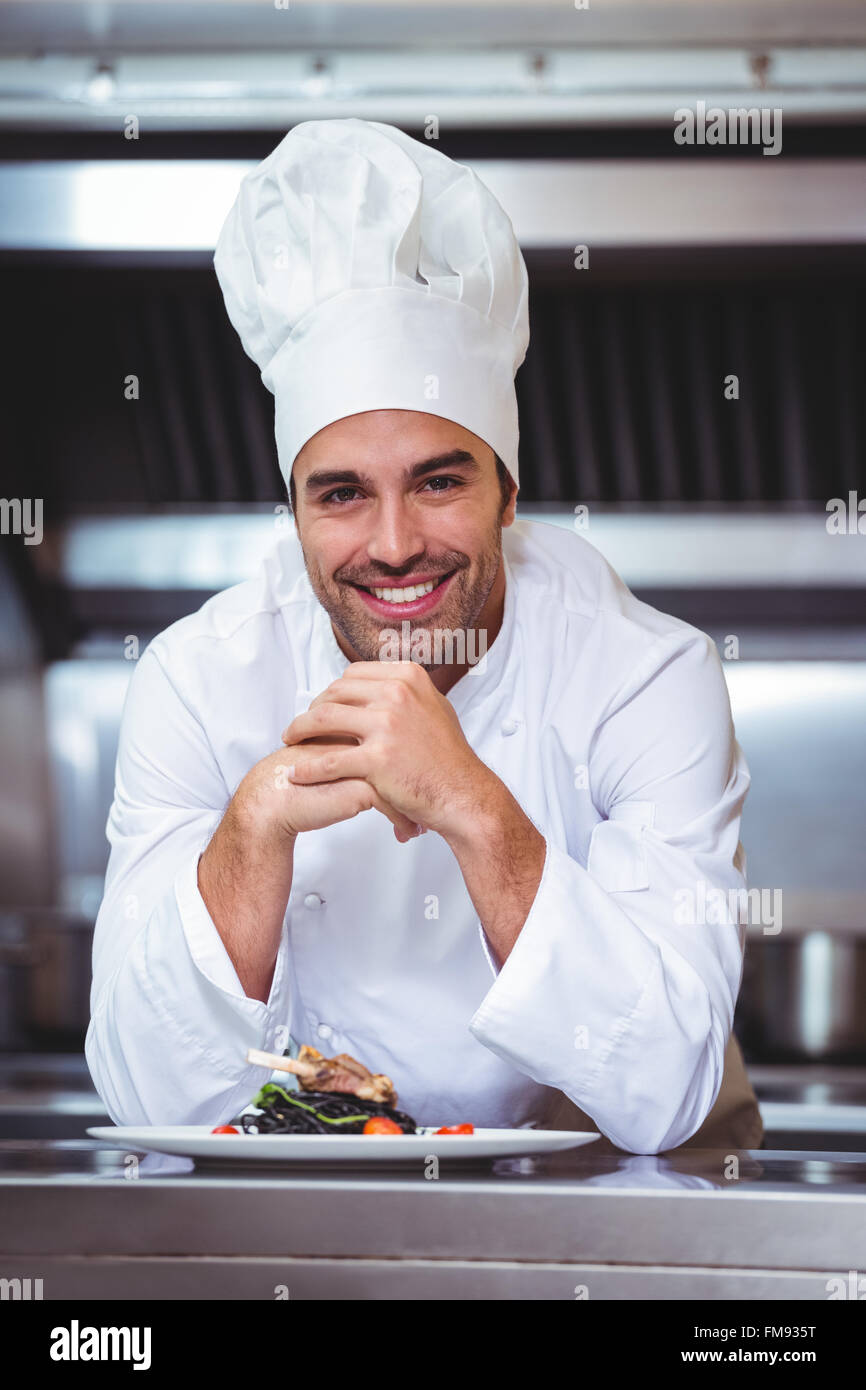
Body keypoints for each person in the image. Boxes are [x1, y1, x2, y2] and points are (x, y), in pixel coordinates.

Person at [85, 119, 762, 1153]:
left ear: (507, 494)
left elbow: (665, 1087)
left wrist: (471, 805)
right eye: (342, 493)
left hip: (592, 1227)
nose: (393, 545)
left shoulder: (643, 674)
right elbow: (150, 1102)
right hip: (299, 1231)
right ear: (297, 514)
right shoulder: (198, 678)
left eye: (439, 481)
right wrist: (254, 828)